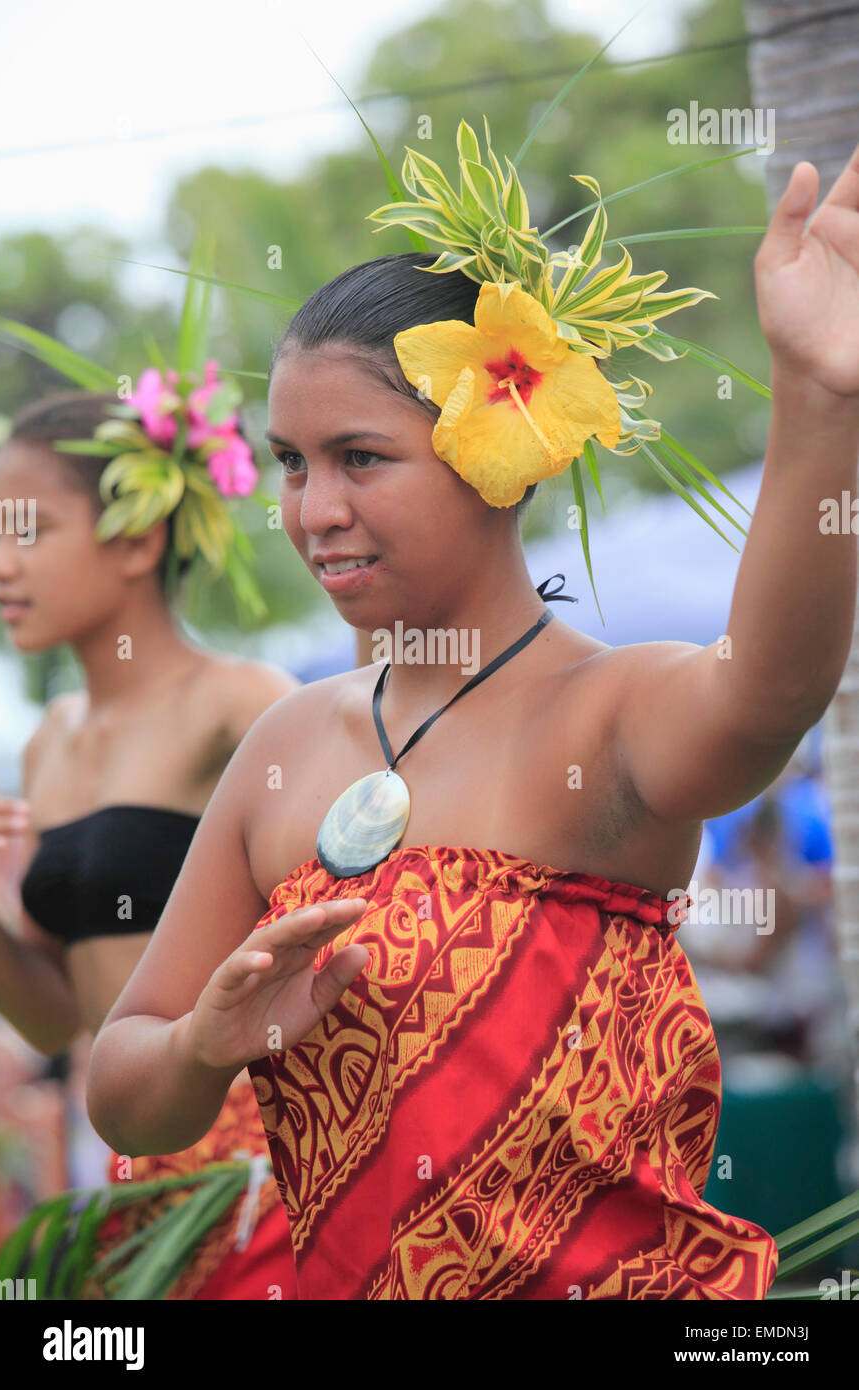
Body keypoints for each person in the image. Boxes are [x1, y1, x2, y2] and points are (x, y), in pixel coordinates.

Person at [85, 121, 859, 1300]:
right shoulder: (288, 747)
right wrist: (202, 1046)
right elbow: (119, 1076)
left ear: (496, 447)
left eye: (360, 457)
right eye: (290, 462)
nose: (312, 509)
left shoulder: (604, 715)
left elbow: (768, 688)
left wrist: (815, 397)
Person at [0, 384, 300, 1298]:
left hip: (257, 1156)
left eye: (29, 531)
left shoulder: (241, 704)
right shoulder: (50, 738)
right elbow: (56, 1017)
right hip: (118, 1158)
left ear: (137, 539)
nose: (1, 565)